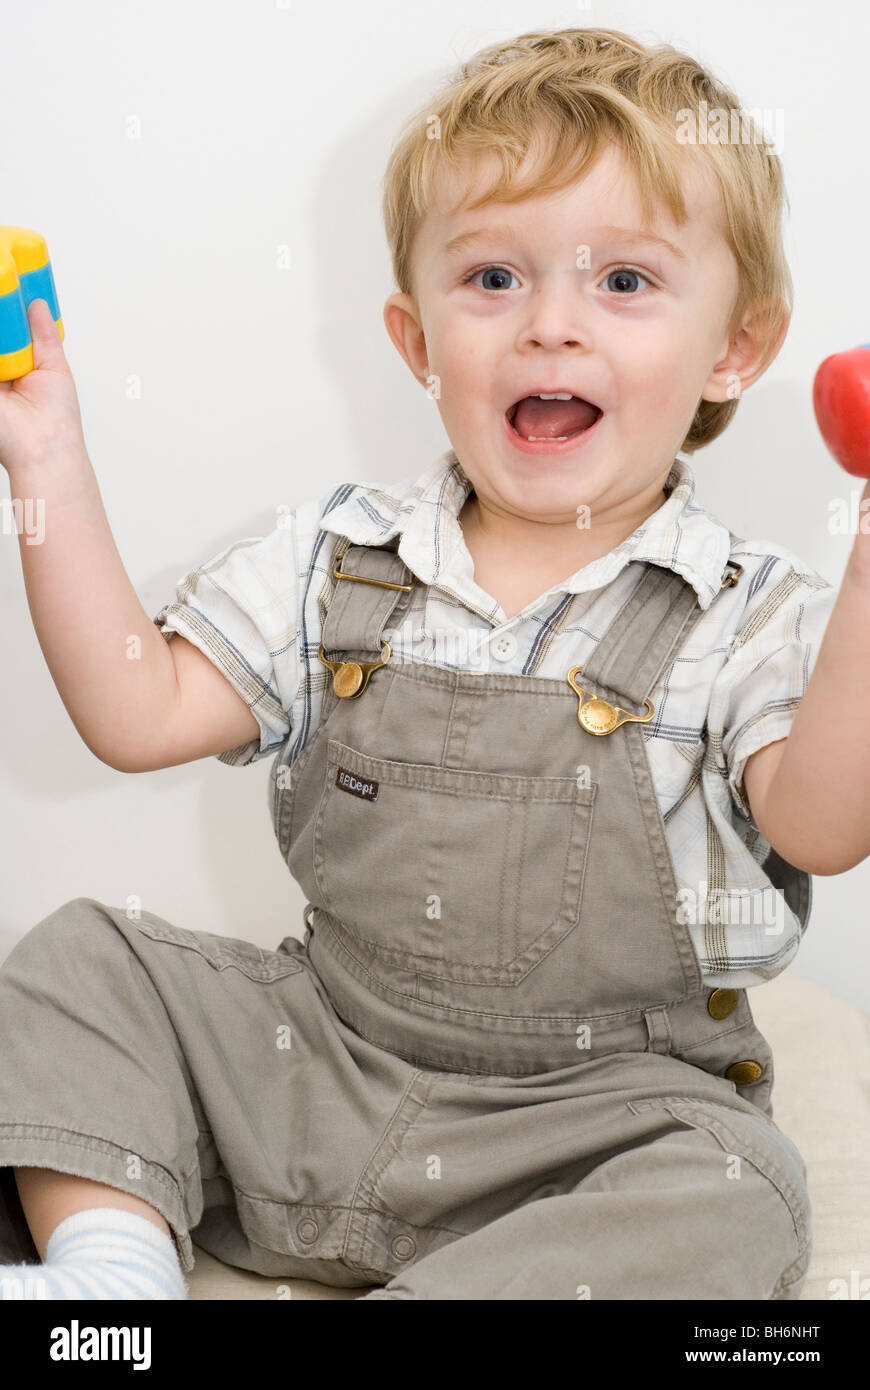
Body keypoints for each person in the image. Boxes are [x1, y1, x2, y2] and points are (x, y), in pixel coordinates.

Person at [0, 25, 856, 1301]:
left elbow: (826, 823)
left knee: (742, 1191)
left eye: (623, 282)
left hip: (596, 1128)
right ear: (414, 337)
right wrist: (45, 456)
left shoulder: (747, 611)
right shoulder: (333, 558)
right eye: (494, 277)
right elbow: (134, 710)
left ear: (736, 347)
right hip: (323, 1063)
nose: (551, 327)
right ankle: (113, 1281)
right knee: (79, 962)